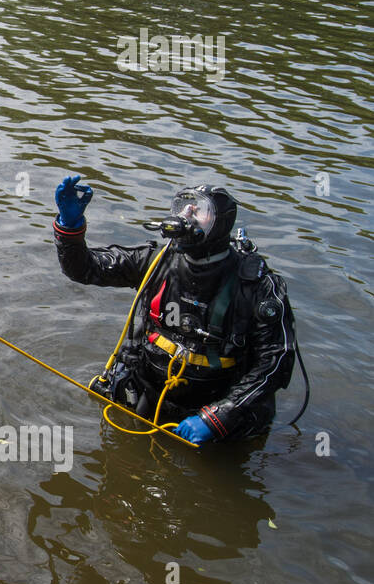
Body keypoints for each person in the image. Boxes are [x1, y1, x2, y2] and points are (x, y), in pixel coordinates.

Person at [53, 176, 297, 444]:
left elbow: (276, 362)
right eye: (183, 206)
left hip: (217, 411)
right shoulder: (155, 260)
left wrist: (222, 414)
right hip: (151, 394)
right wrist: (70, 228)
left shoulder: (257, 287)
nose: (187, 214)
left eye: (199, 209)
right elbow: (83, 269)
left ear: (221, 222)